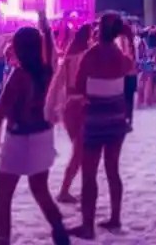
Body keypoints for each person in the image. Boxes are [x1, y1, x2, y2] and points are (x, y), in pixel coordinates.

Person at [0, 12, 70, 245]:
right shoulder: (47, 70)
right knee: (40, 190)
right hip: (42, 134)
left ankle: (3, 239)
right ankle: (59, 231)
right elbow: (49, 45)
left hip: (18, 138)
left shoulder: (19, 76)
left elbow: (0, 110)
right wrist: (44, 26)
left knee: (4, 196)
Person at [68, 12, 133, 239]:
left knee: (89, 174)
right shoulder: (121, 57)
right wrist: (130, 41)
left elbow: (78, 87)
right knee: (113, 170)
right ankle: (115, 218)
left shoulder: (90, 55)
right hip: (117, 118)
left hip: (95, 119)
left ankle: (87, 226)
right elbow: (131, 69)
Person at [56, 24, 92, 203]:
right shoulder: (87, 57)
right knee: (80, 152)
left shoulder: (68, 58)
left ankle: (67, 189)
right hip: (81, 106)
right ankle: (64, 190)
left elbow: (58, 84)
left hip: (68, 107)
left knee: (79, 151)